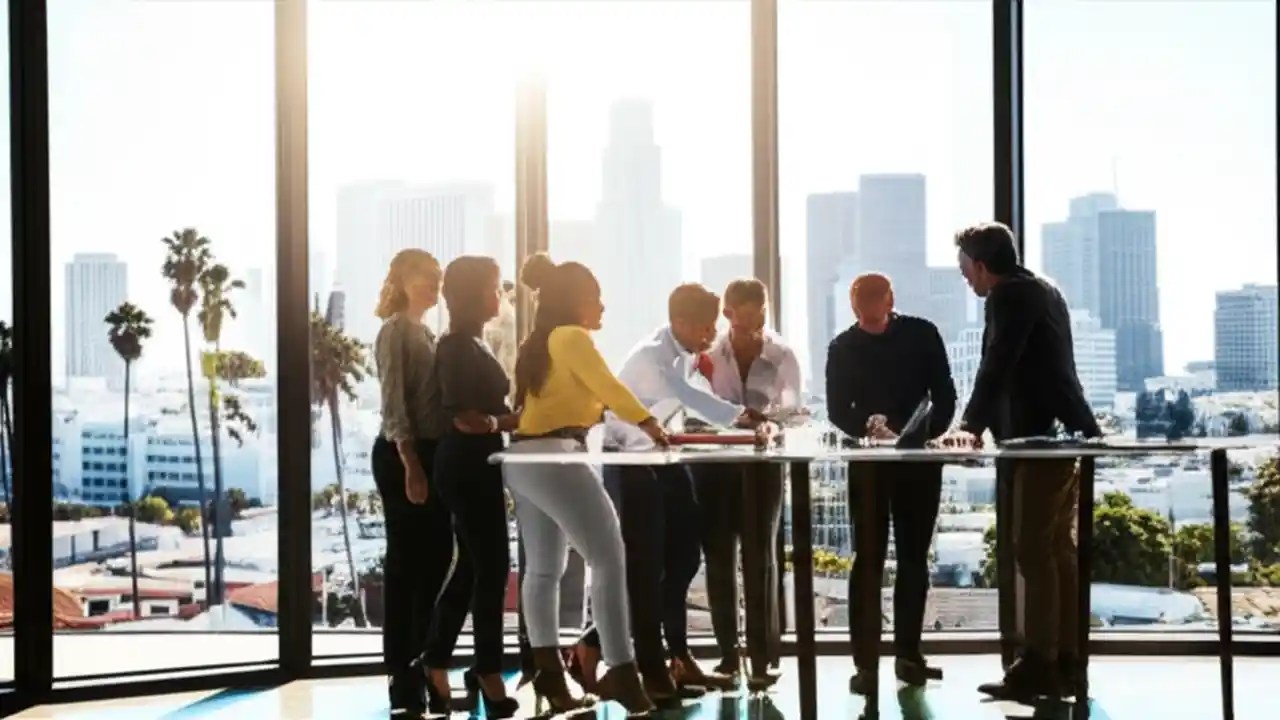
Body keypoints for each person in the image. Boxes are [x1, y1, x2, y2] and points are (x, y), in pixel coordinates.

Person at [571, 283, 767, 702]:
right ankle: (643, 663)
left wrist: (739, 418)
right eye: (704, 326)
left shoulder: (680, 355)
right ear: (679, 321)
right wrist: (742, 417)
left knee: (683, 557)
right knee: (645, 570)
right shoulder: (650, 357)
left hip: (662, 461)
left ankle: (676, 657)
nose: (710, 335)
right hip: (631, 465)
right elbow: (688, 398)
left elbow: (684, 403)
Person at [942, 222, 1101, 701]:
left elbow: (998, 362)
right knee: (1057, 551)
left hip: (1035, 442)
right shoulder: (1045, 290)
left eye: (966, 270)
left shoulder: (1007, 298)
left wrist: (969, 426)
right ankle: (1068, 661)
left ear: (983, 266)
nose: (966, 280)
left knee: (1033, 550)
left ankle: (1039, 664)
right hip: (1063, 438)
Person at [504, 252, 667, 716]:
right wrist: (650, 424)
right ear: (575, 301)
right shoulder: (571, 337)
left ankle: (551, 676)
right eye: (595, 297)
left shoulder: (540, 340)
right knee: (609, 555)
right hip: (555, 457)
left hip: (523, 458)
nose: (602, 306)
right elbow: (608, 385)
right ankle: (620, 669)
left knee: (543, 570)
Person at [825, 272, 956, 694]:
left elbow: (946, 397)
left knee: (914, 558)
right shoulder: (842, 347)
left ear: (890, 301)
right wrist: (866, 427)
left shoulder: (923, 334)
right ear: (854, 309)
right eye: (864, 316)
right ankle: (866, 665)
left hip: (917, 460)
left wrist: (916, 433)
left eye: (875, 313)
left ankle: (908, 655)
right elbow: (835, 410)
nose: (871, 321)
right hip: (869, 462)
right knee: (869, 560)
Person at [428, 256, 519, 719]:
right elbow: (465, 418)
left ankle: (437, 661)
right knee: (493, 568)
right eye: (492, 287)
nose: (499, 294)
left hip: (478, 464)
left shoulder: (476, 343)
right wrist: (510, 421)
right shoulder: (456, 347)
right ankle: (487, 671)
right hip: (464, 465)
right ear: (470, 294)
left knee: (473, 569)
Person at [699, 278, 801, 688]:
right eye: (742, 317)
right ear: (728, 314)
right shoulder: (707, 355)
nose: (751, 326)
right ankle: (727, 656)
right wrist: (728, 419)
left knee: (760, 559)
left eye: (759, 316)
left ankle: (763, 658)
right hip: (714, 465)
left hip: (763, 462)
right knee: (718, 559)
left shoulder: (782, 355)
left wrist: (766, 421)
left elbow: (793, 410)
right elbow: (695, 408)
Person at [369, 249, 455, 716]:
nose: (433, 285)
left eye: (438, 278)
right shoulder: (395, 332)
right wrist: (411, 463)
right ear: (402, 279)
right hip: (404, 455)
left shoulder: (427, 332)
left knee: (436, 560)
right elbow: (393, 404)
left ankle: (424, 663)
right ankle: (402, 680)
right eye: (425, 277)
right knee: (405, 567)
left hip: (430, 454)